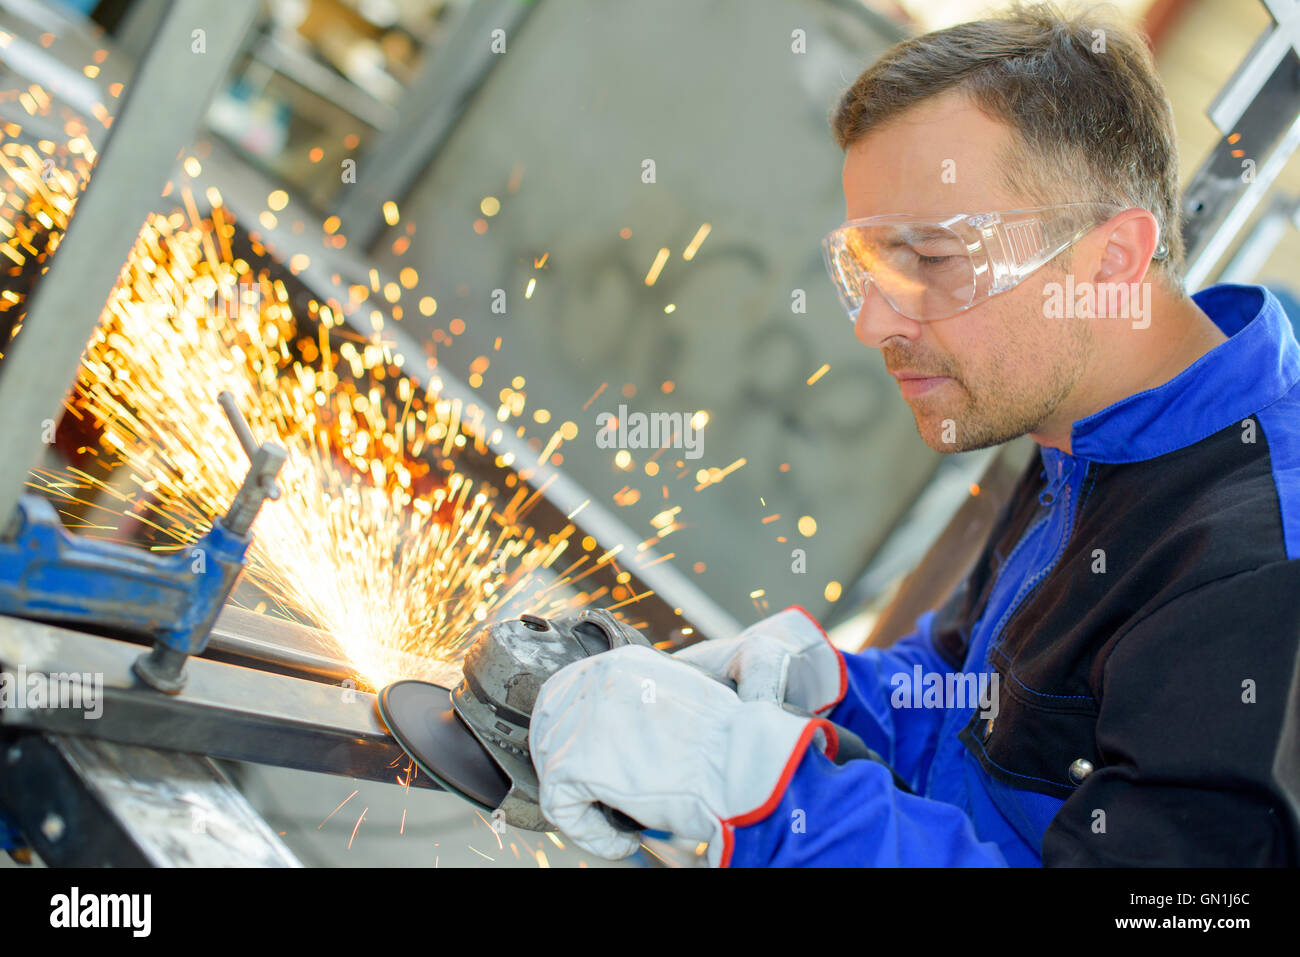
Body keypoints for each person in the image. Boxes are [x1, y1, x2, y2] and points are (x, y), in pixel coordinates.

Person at [529, 2, 1300, 866]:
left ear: (1110, 259)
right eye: (868, 267)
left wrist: (777, 804)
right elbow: (966, 695)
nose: (873, 323)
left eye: (930, 259)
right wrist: (827, 693)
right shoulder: (1082, 426)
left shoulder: (1264, 566)